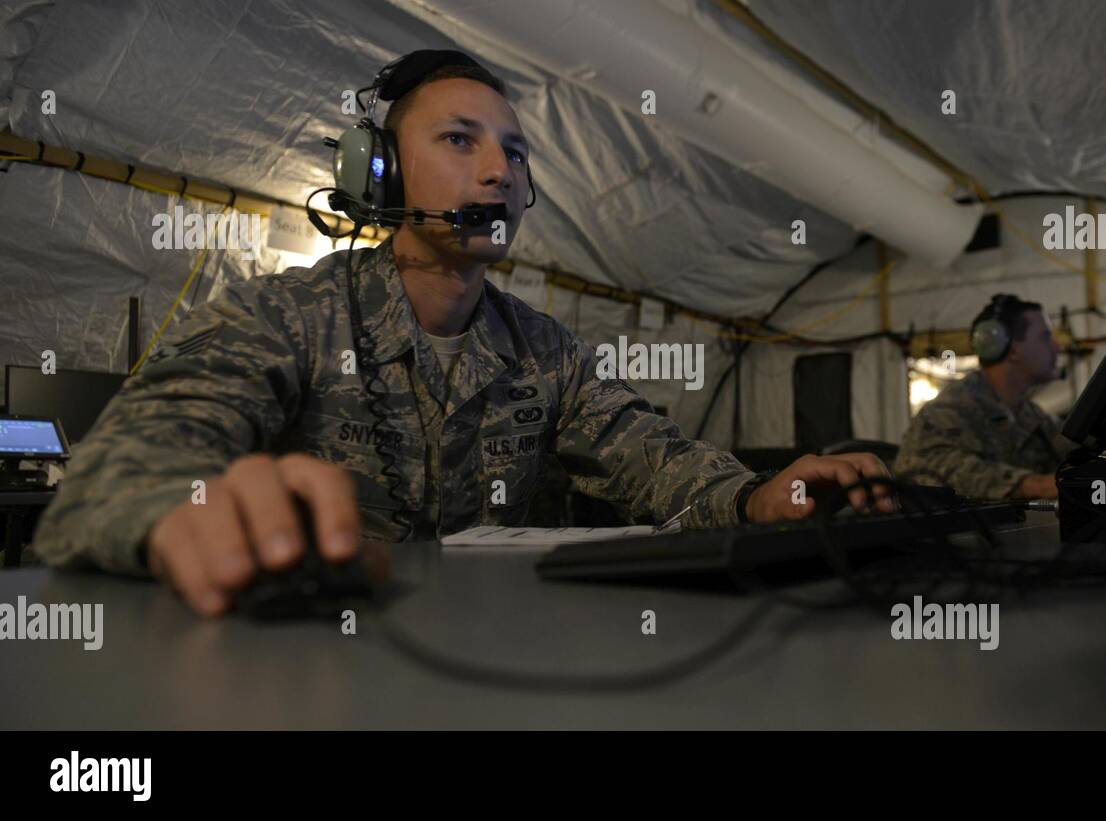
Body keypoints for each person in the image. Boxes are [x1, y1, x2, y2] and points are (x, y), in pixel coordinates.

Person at [32, 50, 894, 616]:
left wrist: (761, 497)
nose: (498, 171)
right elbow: (114, 473)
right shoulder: (287, 315)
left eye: (515, 153)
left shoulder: (547, 351)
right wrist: (180, 509)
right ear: (379, 172)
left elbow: (653, 458)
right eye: (459, 140)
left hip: (486, 666)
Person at [893, 293, 1072, 500]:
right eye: (1045, 337)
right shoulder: (947, 412)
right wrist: (1033, 486)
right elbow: (923, 470)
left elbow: (1070, 452)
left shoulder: (1031, 415)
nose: (1057, 347)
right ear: (1012, 349)